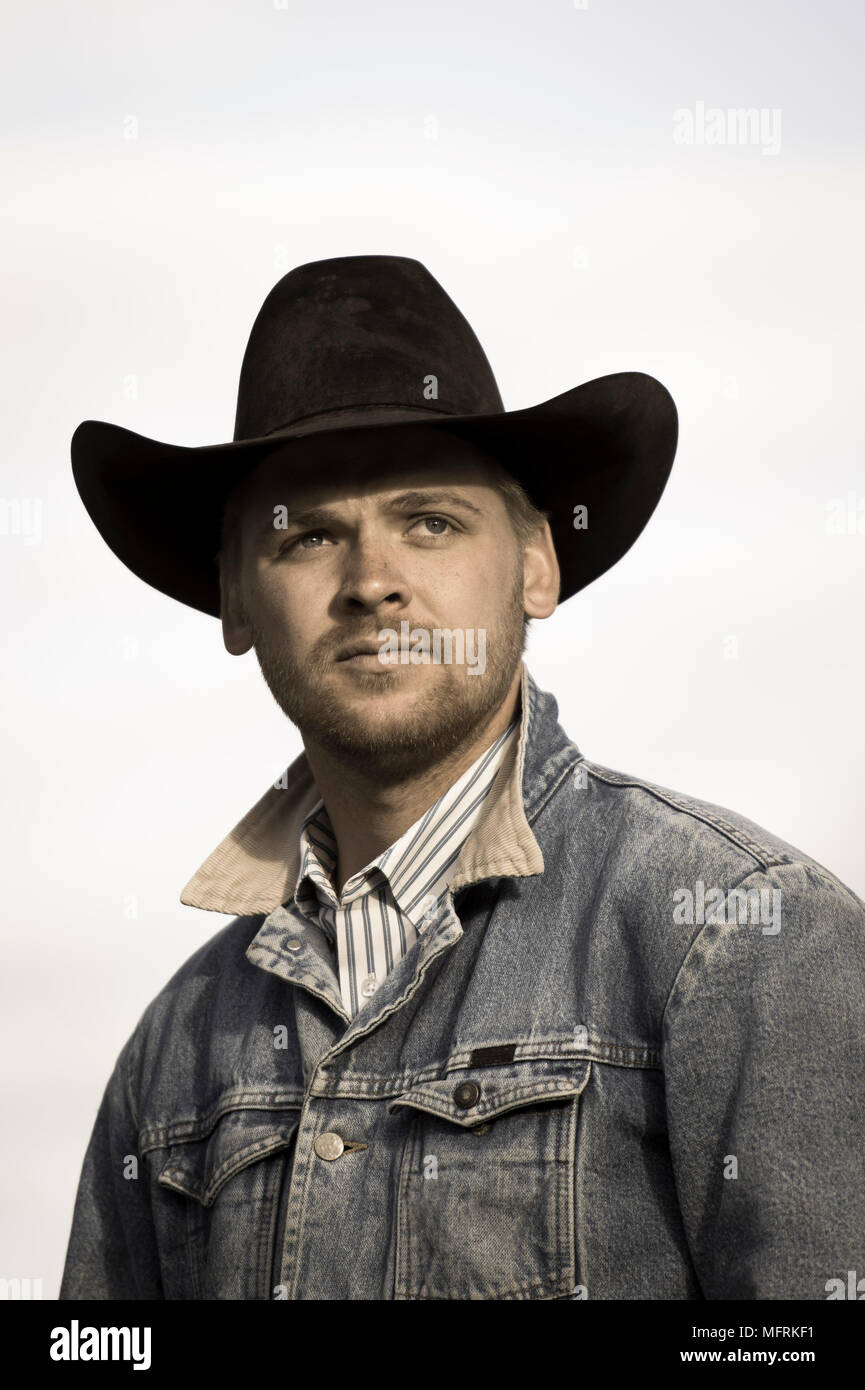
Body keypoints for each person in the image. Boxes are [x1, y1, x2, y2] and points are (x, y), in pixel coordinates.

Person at [61, 255, 865, 1300]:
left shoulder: (736, 933)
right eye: (306, 535)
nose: (372, 582)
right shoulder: (175, 1051)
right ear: (236, 600)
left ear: (537, 562)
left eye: (430, 522)